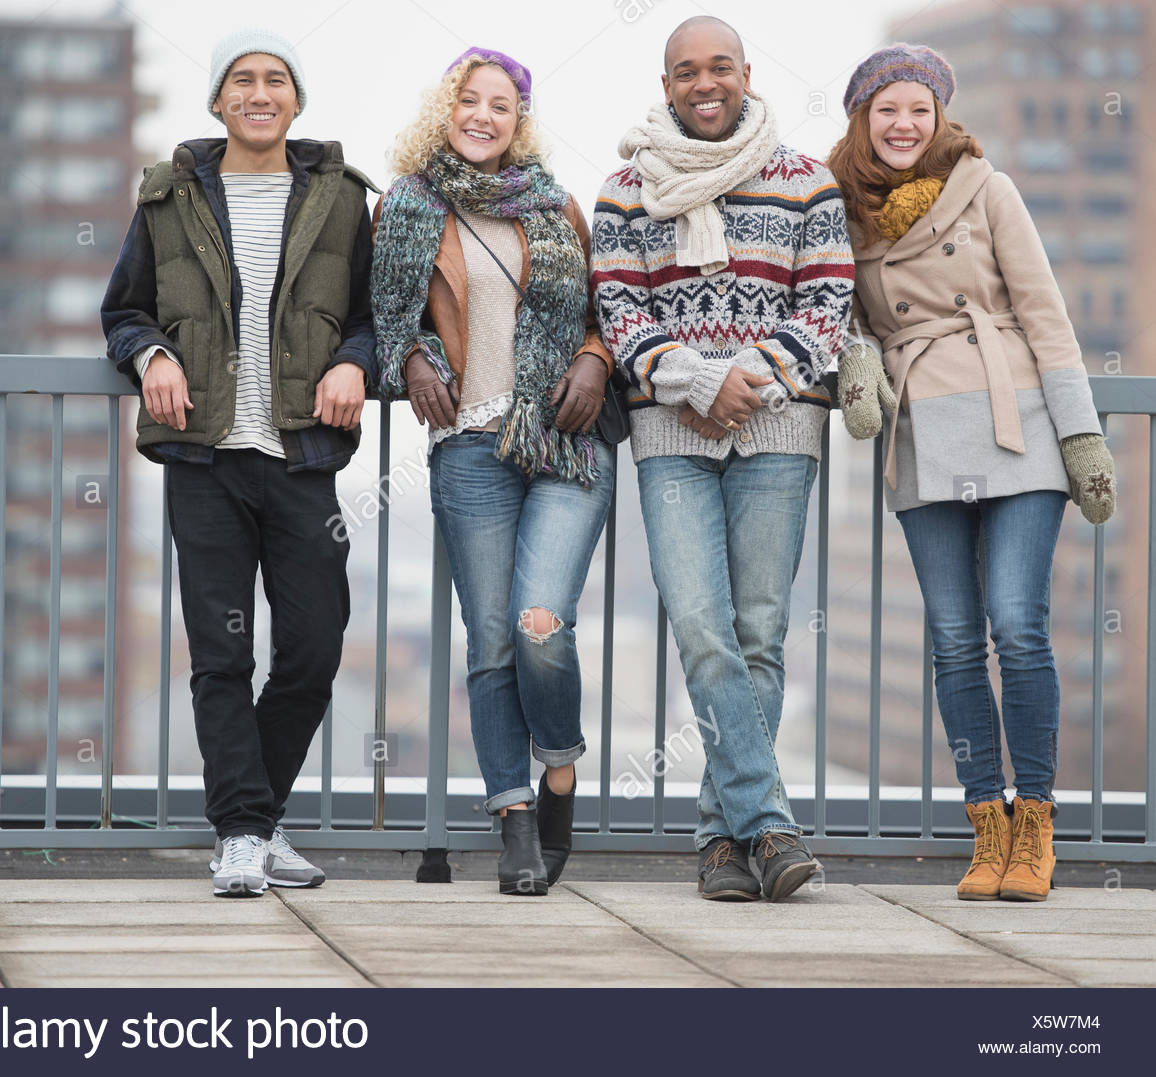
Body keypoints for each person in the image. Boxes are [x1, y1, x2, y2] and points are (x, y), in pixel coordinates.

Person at [827, 44, 1116, 901]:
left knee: (1017, 626)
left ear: (940, 115)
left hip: (1015, 420)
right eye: (887, 111)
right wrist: (855, 360)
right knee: (954, 640)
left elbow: (1046, 315)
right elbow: (840, 312)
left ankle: (1036, 826)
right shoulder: (841, 208)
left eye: (919, 109)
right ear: (863, 120)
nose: (904, 124)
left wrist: (1082, 437)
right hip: (923, 432)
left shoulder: (988, 189)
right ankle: (985, 825)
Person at [101, 28, 378, 897]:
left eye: (277, 80)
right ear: (217, 101)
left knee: (313, 645)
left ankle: (251, 819)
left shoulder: (341, 199)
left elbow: (376, 316)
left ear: (297, 101)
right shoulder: (167, 197)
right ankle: (245, 834)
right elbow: (123, 312)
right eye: (242, 80)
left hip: (302, 458)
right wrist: (152, 358)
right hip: (205, 460)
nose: (260, 93)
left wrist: (353, 363)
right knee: (221, 657)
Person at [592, 16, 854, 901]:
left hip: (779, 431)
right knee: (702, 624)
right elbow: (622, 315)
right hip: (672, 436)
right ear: (666, 86)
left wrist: (753, 380)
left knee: (760, 631)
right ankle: (769, 824)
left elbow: (827, 306)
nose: (704, 85)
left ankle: (719, 840)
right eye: (684, 73)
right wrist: (699, 384)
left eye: (719, 69)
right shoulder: (626, 191)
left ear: (746, 72)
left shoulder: (806, 180)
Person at [371, 47, 616, 896]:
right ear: (445, 111)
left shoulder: (557, 207)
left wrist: (590, 359)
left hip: (563, 440)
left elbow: (603, 312)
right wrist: (409, 358)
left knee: (539, 622)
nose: (483, 116)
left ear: (520, 121)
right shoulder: (406, 208)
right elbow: (387, 318)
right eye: (468, 101)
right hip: (470, 446)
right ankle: (515, 819)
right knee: (490, 639)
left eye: (500, 106)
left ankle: (558, 771)